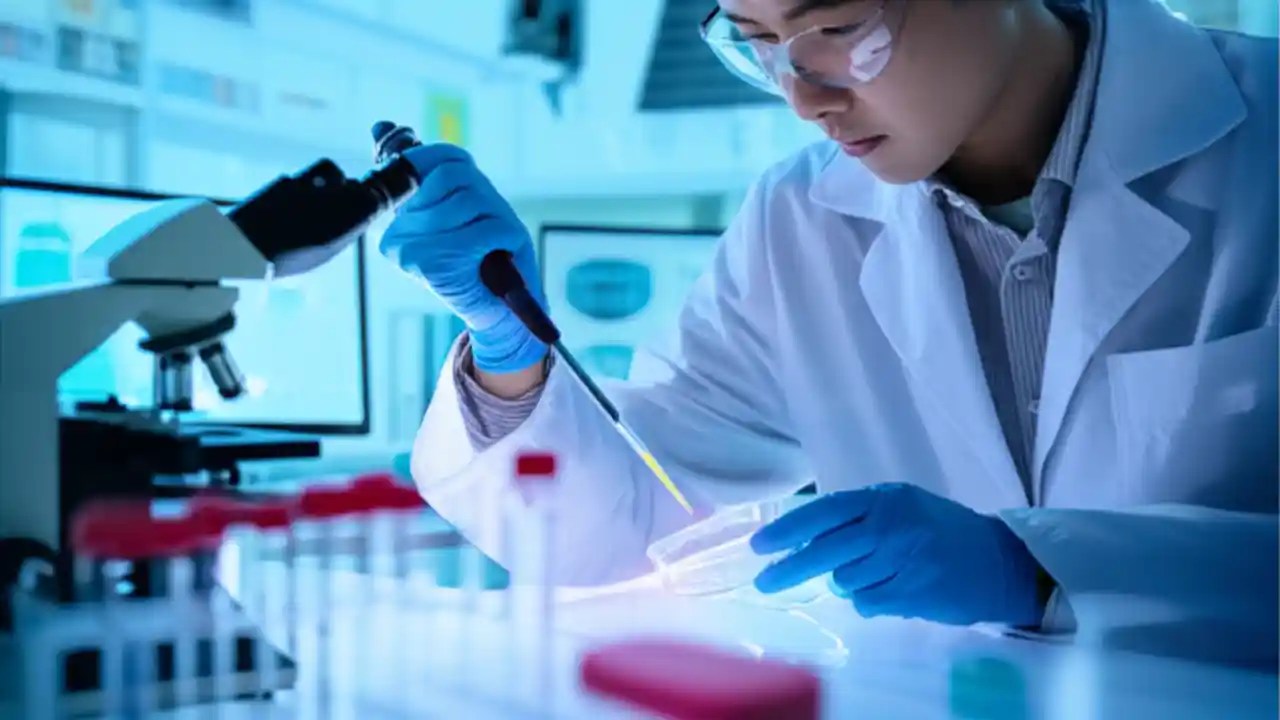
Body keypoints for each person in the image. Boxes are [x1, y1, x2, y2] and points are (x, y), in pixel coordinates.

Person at [380, 0, 1277, 651]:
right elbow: (636, 511)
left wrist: (1047, 569)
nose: (801, 99)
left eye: (839, 31)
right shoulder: (797, 221)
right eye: (761, 43)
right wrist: (510, 354)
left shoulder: (1262, 142)